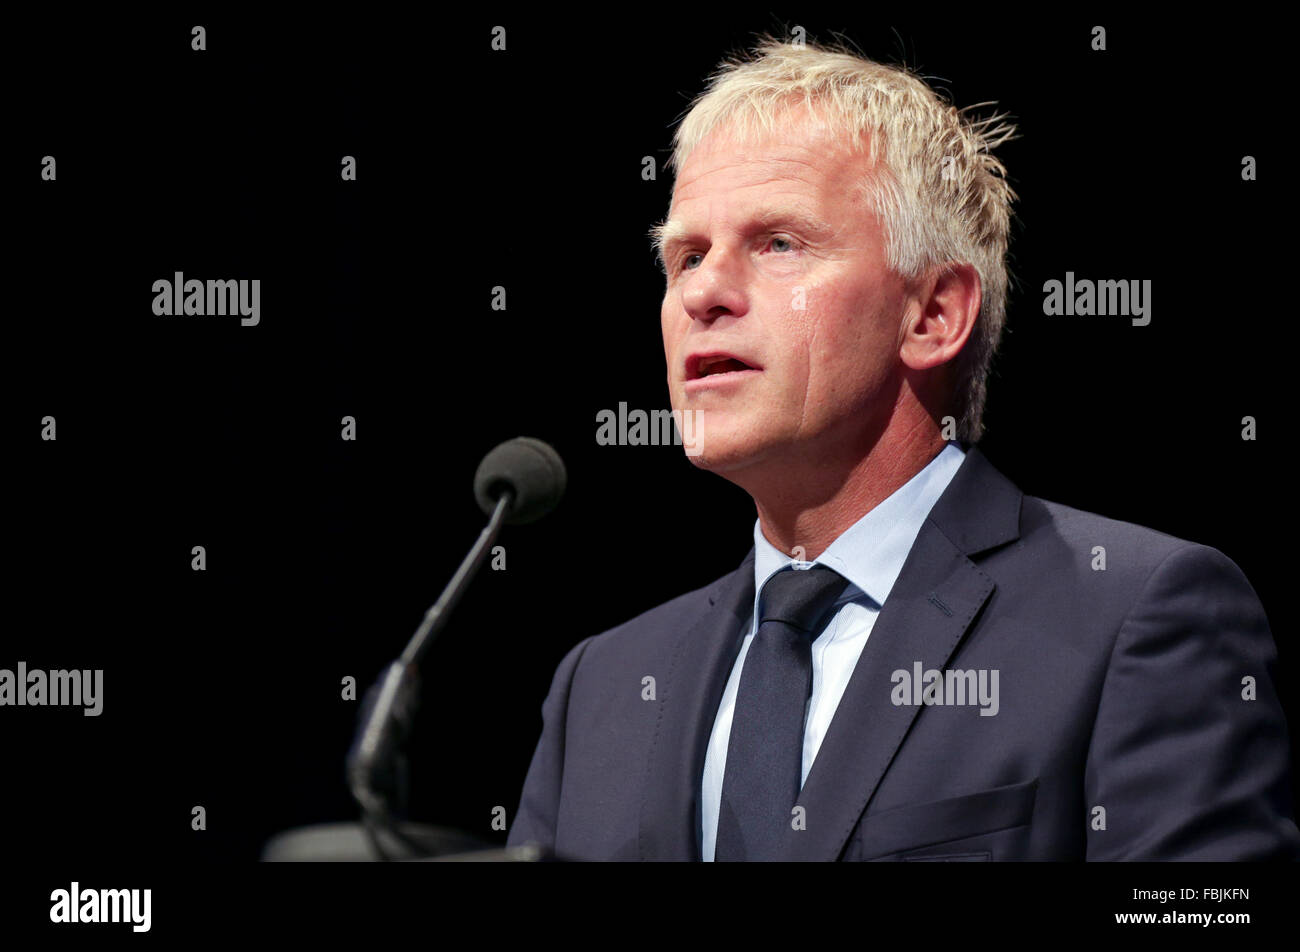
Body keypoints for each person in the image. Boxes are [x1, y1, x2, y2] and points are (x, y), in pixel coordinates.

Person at [506, 37, 1300, 860]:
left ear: (932, 317)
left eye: (779, 243)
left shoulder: (1134, 616)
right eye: (687, 256)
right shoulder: (602, 686)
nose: (703, 292)